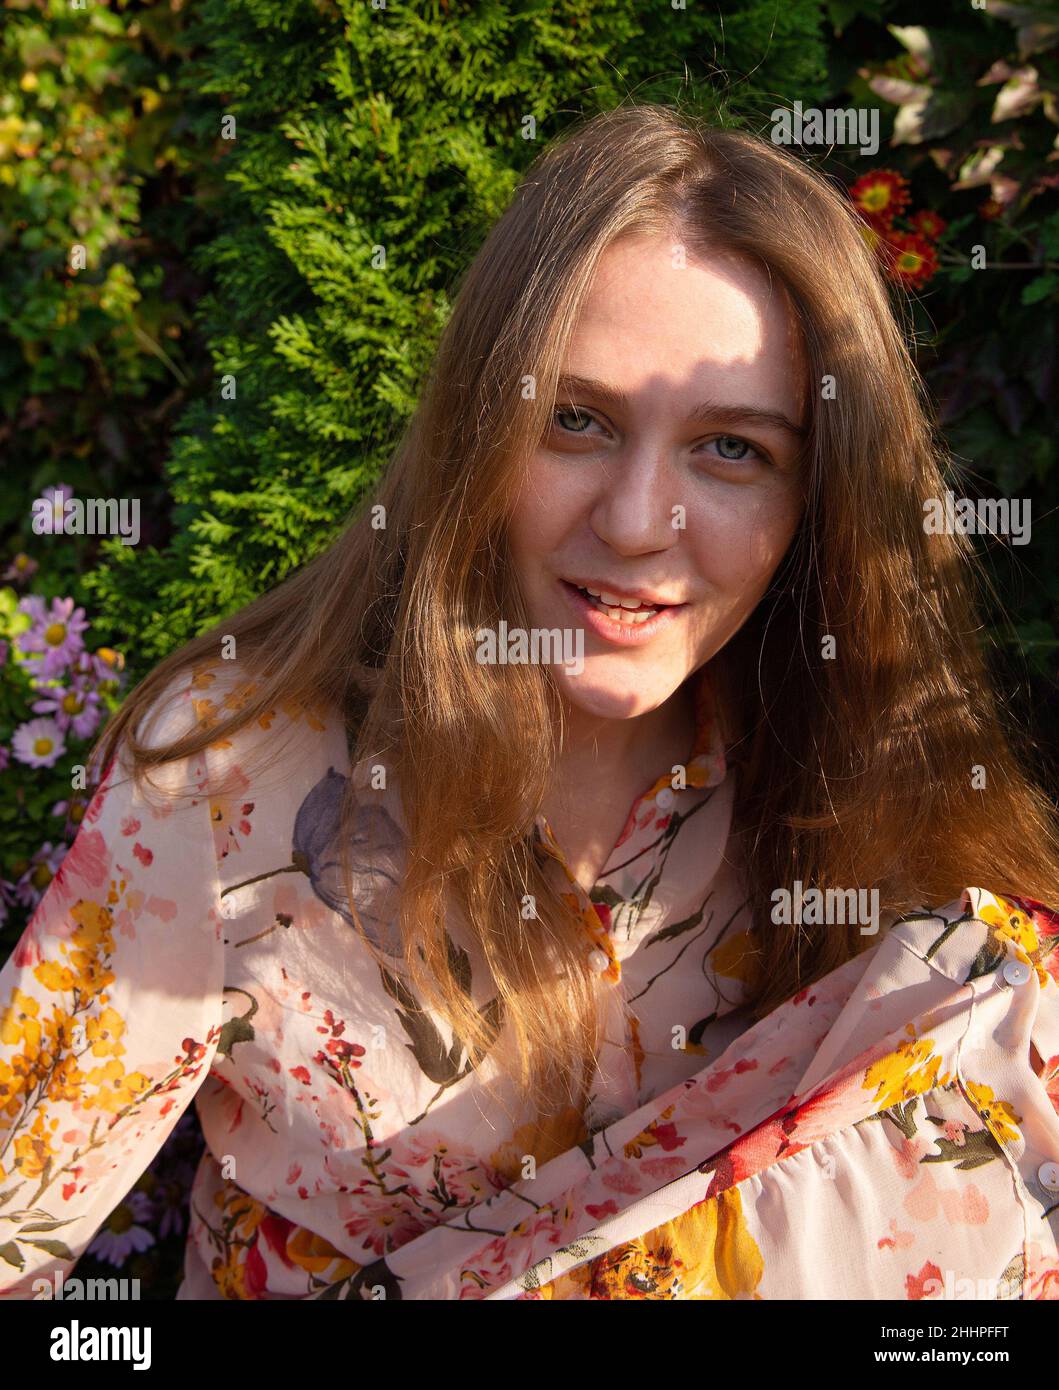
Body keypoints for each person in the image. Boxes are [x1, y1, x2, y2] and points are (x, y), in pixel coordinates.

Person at [3, 101, 1059, 1302]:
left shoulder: (900, 824)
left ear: (821, 499)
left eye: (732, 450)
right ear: (476, 425)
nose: (632, 521)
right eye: (576, 420)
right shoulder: (230, 776)